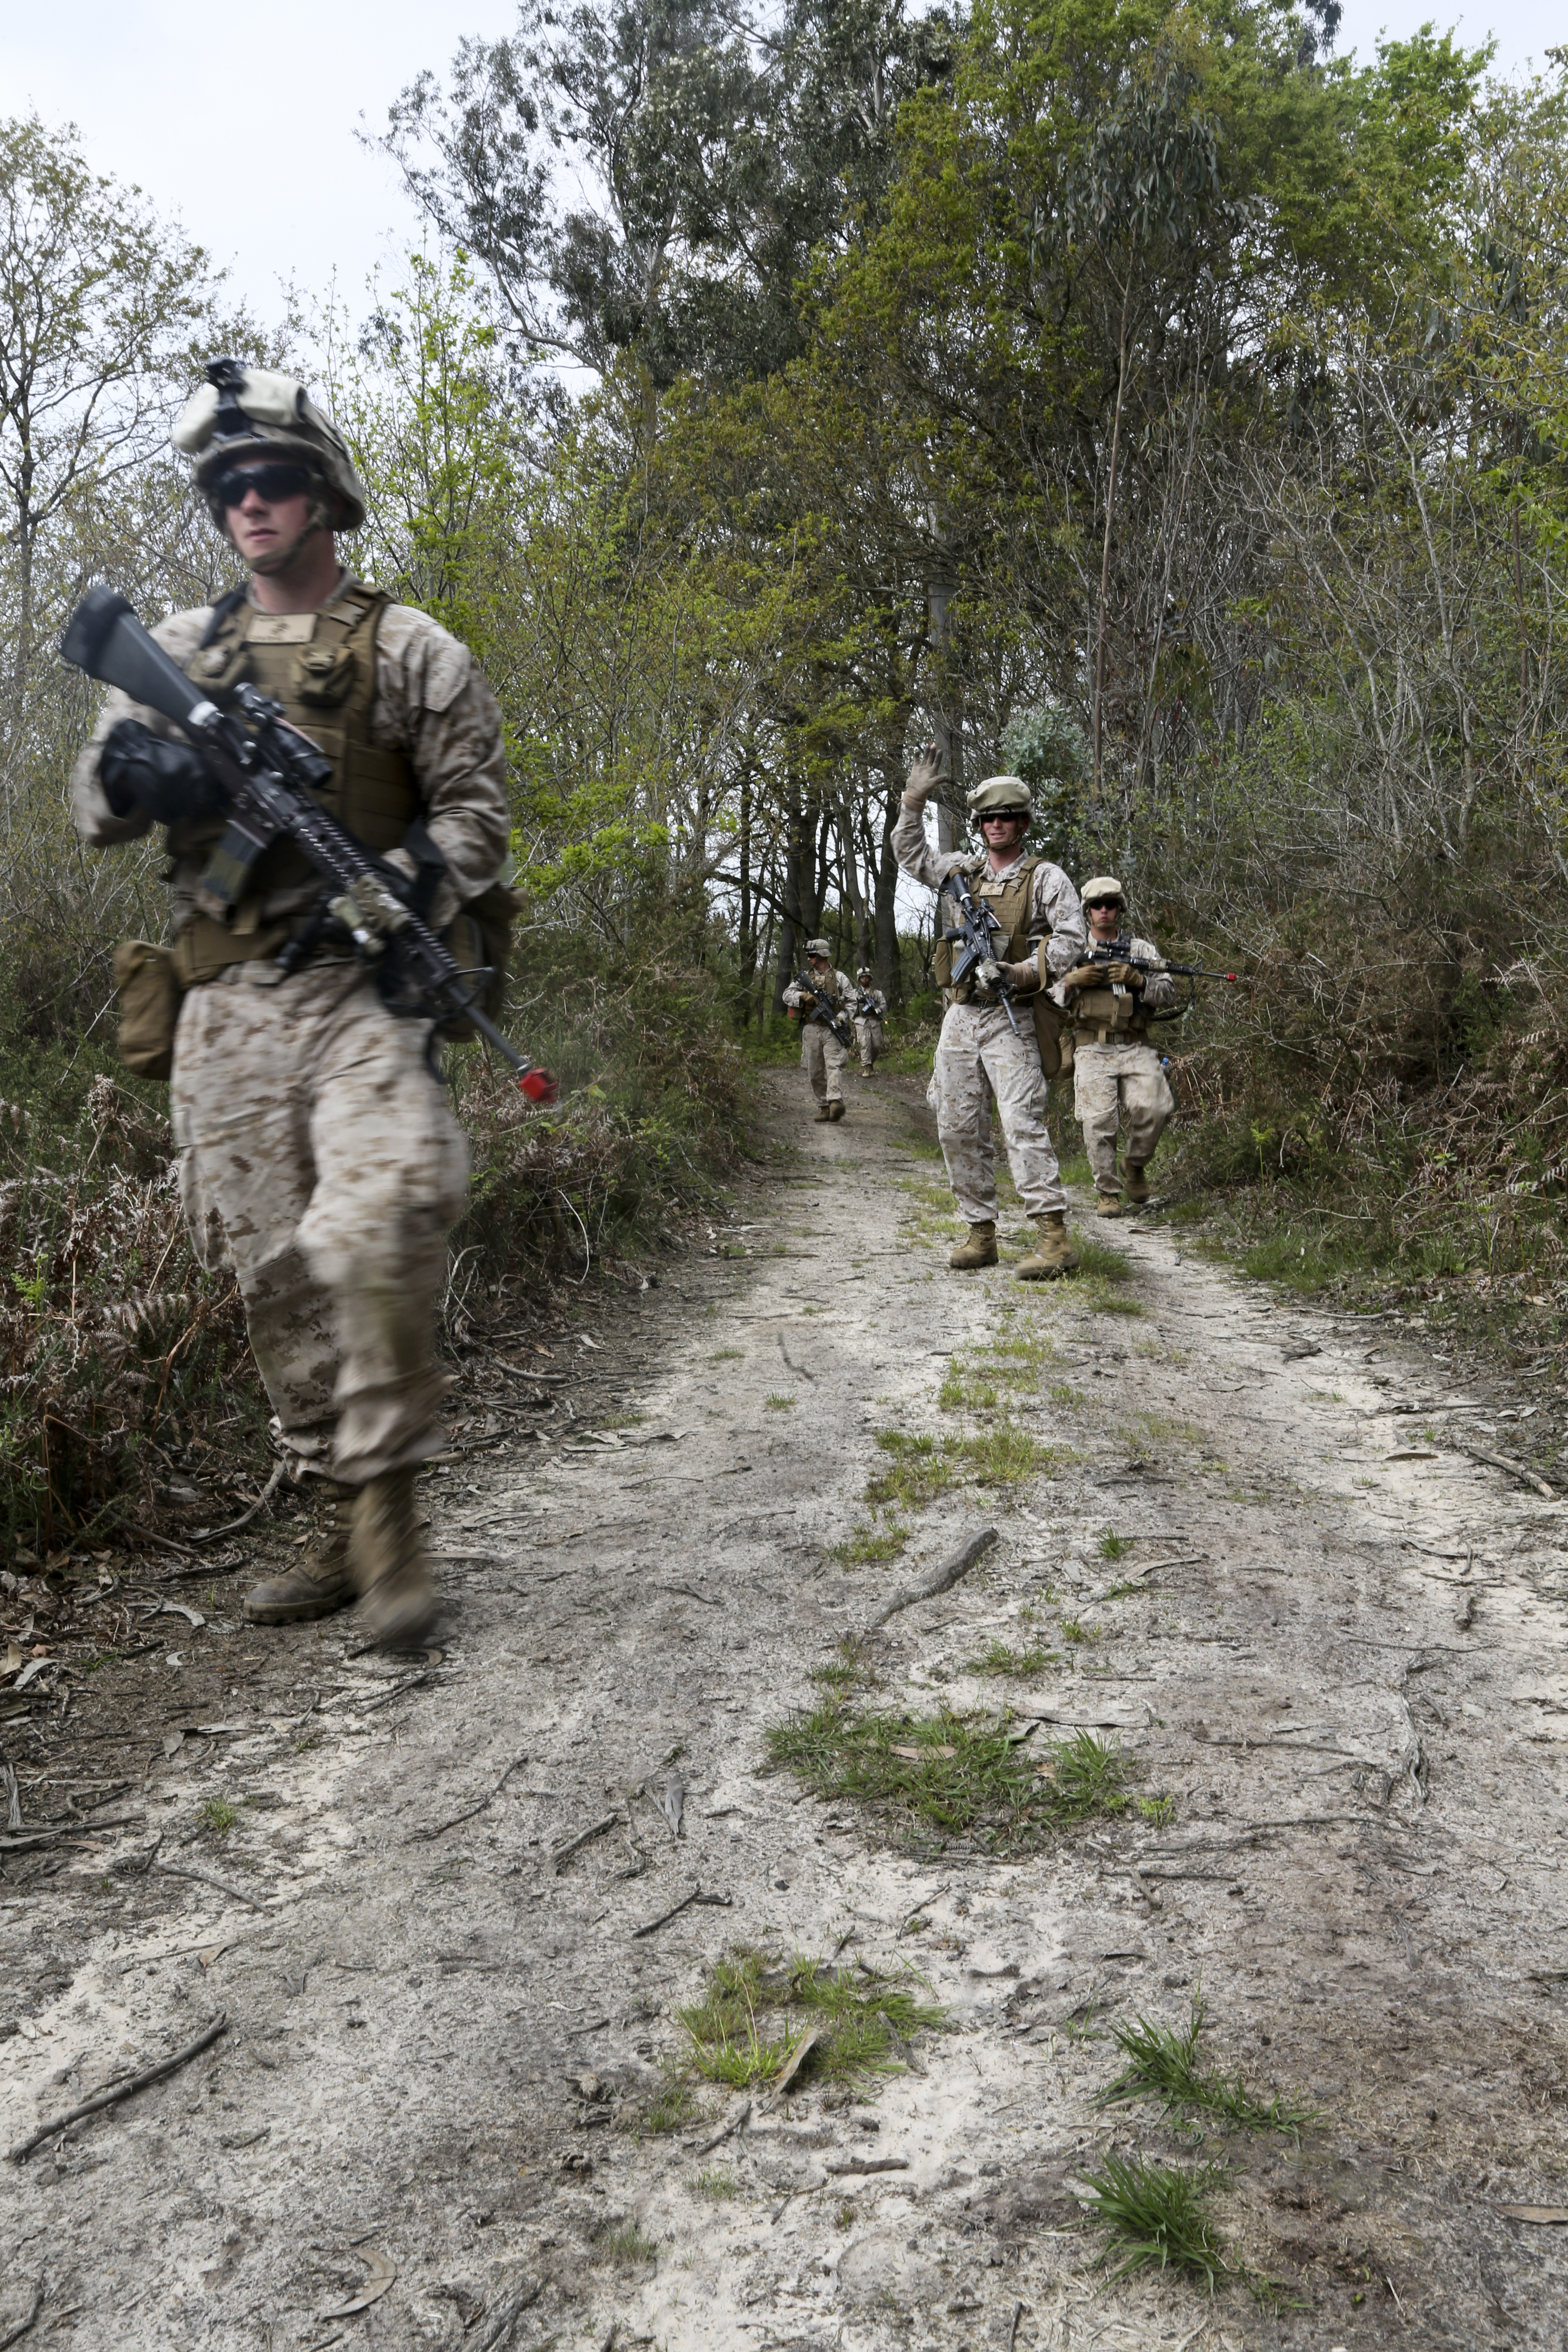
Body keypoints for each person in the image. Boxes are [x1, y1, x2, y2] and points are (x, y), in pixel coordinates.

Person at [69, 360, 514, 1646]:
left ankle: (389, 1520)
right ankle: (333, 1500)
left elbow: (479, 815)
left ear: (323, 497)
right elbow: (93, 813)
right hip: (222, 1004)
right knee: (264, 1267)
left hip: (362, 990)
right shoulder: (178, 649)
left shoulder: (412, 648)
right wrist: (142, 772)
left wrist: (400, 875)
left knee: (386, 1207)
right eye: (229, 489)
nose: (250, 505)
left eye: (273, 482)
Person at [894, 753, 1086, 1276]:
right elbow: (910, 856)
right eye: (986, 819)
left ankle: (1054, 1239)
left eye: (1006, 817)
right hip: (962, 1015)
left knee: (1022, 1125)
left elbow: (1072, 939)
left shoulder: (1045, 878)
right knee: (955, 1125)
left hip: (1014, 1015)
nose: (995, 825)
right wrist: (913, 802)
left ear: (1022, 823)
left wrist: (1022, 972)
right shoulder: (961, 871)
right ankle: (981, 1234)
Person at [1058, 876, 1176, 1215]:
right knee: (1098, 1122)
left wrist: (1138, 980)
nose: (1105, 911)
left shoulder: (1140, 951)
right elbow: (1044, 996)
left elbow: (1169, 992)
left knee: (1156, 1107)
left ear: (1120, 909)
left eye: (1111, 904)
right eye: (1098, 905)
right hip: (1091, 1045)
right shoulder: (1071, 950)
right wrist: (1070, 981)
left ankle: (1135, 1165)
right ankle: (1107, 1192)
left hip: (1135, 1045)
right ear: (1087, 911)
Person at [782, 940, 853, 1121]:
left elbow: (852, 1003)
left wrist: (841, 1018)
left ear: (822, 955)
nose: (809, 958)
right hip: (811, 1028)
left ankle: (835, 1101)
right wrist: (803, 996)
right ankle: (824, 1106)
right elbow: (787, 995)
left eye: (812, 955)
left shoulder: (840, 978)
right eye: (808, 955)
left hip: (832, 1029)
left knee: (834, 1065)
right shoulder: (804, 977)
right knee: (814, 1071)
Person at [852, 969, 888, 1073]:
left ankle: (870, 1063)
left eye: (866, 976)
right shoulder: (855, 993)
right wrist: (858, 1005)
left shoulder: (877, 993)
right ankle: (866, 1067)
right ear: (859, 979)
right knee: (865, 1044)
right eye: (863, 977)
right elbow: (849, 1006)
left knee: (877, 1044)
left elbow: (884, 1005)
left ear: (870, 978)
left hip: (874, 1021)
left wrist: (878, 1009)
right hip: (861, 1020)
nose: (865, 978)